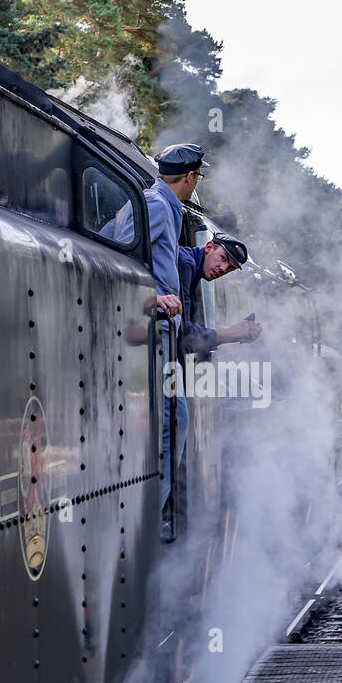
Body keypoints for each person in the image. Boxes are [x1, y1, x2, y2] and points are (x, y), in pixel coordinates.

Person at [110, 142, 209, 524]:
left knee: (174, 418)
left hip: (160, 335)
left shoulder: (160, 204)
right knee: (174, 419)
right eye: (197, 177)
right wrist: (153, 296)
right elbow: (115, 251)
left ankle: (151, 508)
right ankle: (149, 515)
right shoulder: (155, 205)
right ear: (190, 177)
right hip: (150, 331)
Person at [175, 233, 260, 354]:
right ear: (209, 247)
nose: (223, 269)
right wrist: (232, 332)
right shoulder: (185, 264)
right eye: (223, 258)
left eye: (231, 268)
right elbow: (183, 334)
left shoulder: (194, 269)